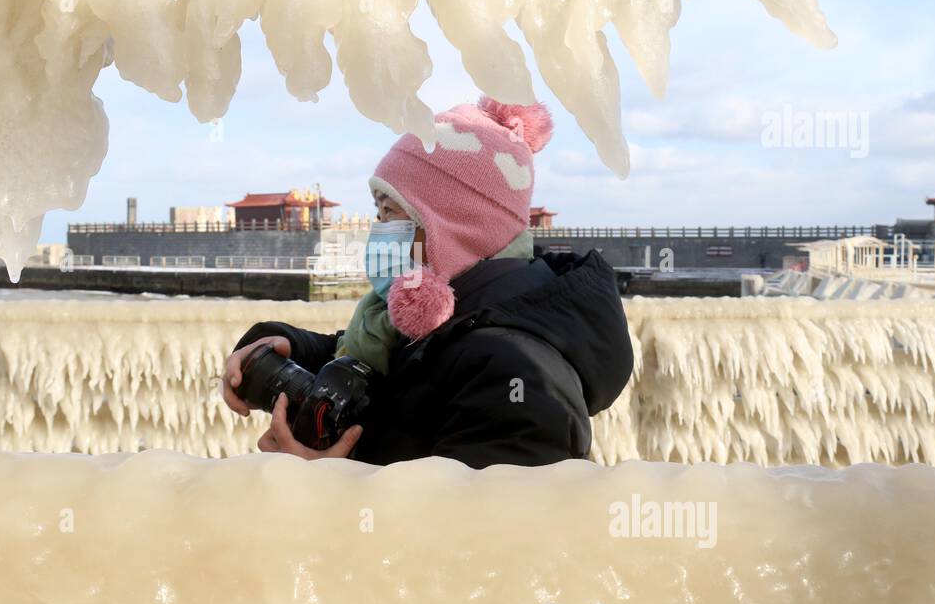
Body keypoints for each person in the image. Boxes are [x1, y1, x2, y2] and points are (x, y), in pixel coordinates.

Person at [220, 96, 633, 469]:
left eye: (390, 213)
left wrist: (328, 481)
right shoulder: (443, 323)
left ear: (452, 227)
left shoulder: (517, 370)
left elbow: (480, 542)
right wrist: (284, 345)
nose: (377, 230)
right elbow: (394, 368)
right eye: (377, 213)